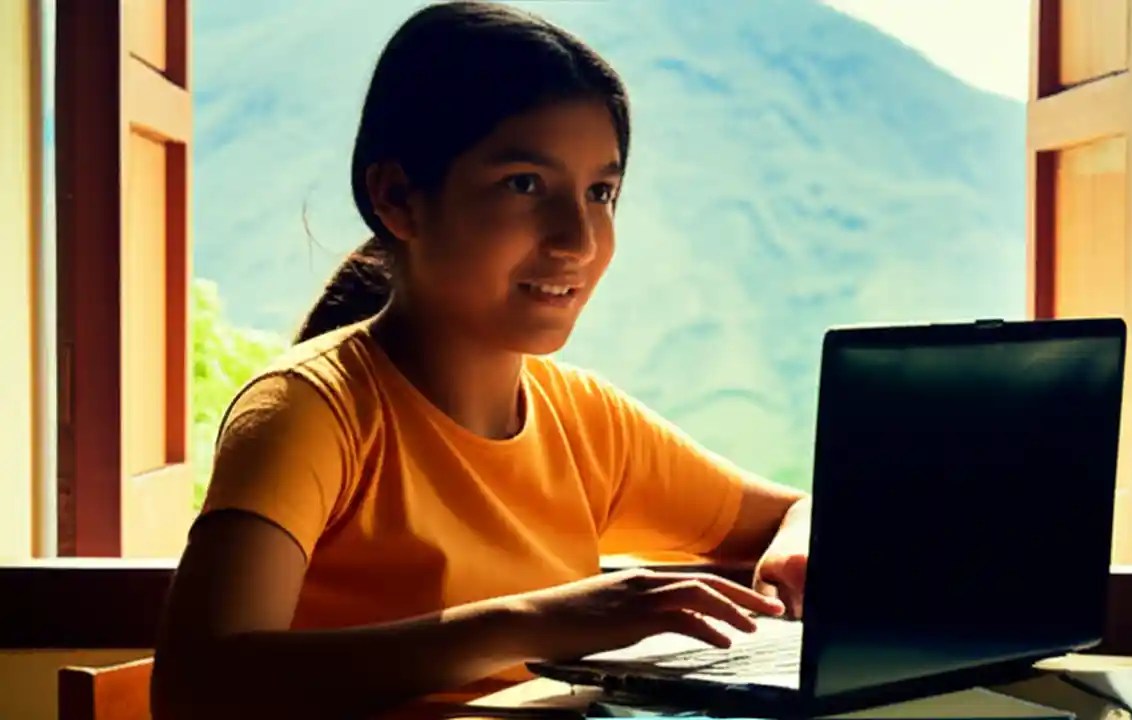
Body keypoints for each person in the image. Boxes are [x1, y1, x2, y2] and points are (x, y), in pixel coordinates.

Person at [152, 2, 811, 718]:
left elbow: (803, 508)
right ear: (398, 197)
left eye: (601, 192)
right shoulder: (310, 413)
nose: (579, 240)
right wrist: (540, 623)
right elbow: (198, 684)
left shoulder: (586, 421)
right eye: (525, 184)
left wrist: (793, 553)